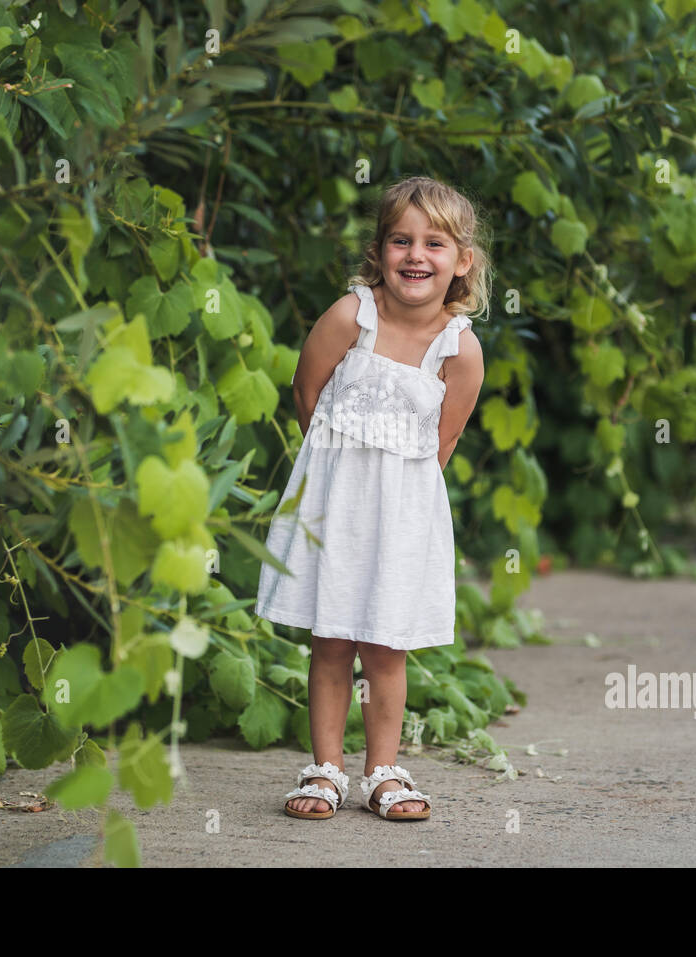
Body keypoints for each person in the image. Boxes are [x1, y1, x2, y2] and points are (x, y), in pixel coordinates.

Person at [254, 176, 490, 820]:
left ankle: (383, 771)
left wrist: (393, 497)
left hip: (402, 517)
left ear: (462, 261)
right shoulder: (349, 316)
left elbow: (442, 444)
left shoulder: (458, 349)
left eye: (434, 243)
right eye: (400, 240)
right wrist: (340, 477)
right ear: (380, 250)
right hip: (335, 508)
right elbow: (308, 396)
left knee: (386, 647)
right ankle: (324, 770)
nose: (416, 255)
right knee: (331, 640)